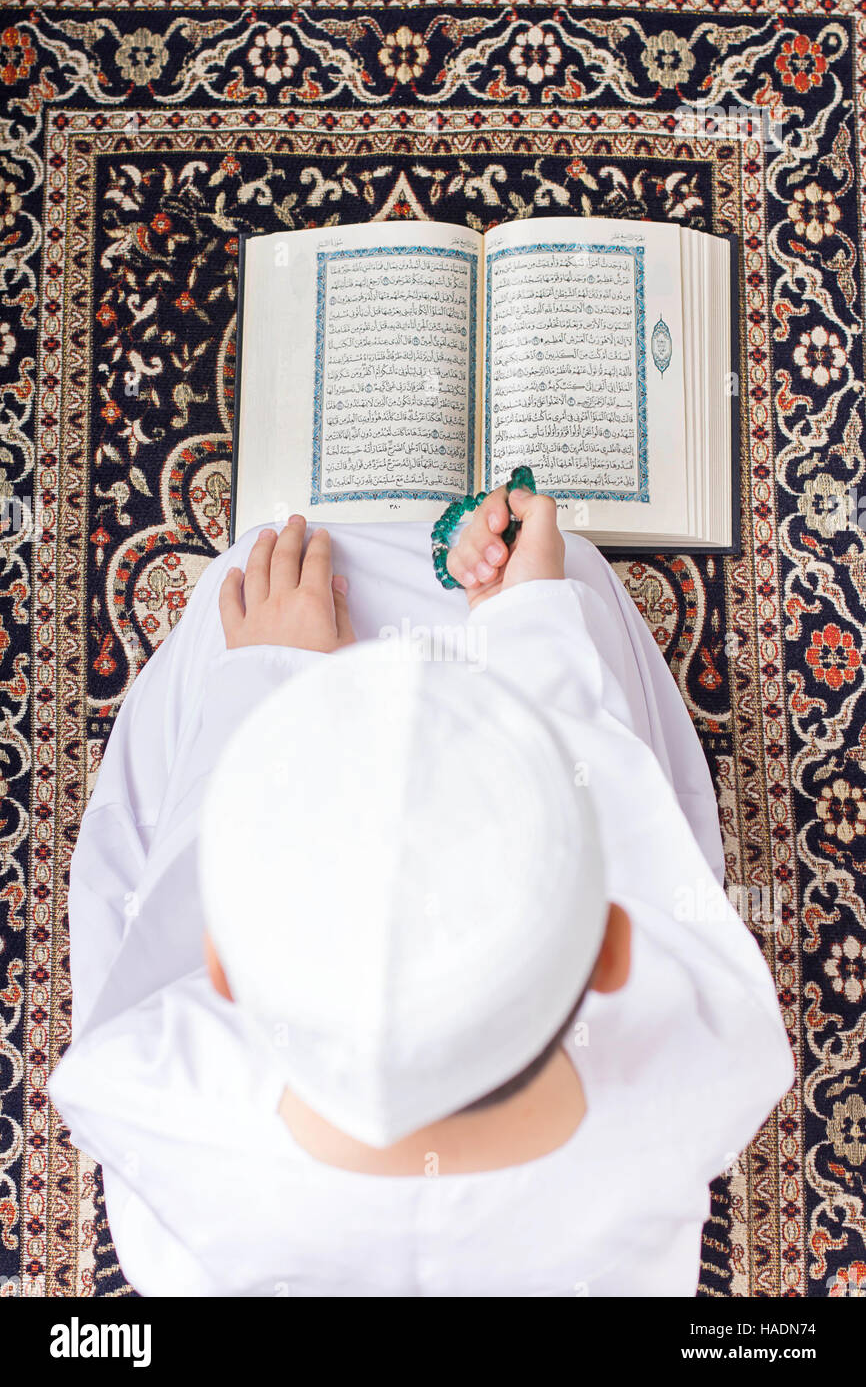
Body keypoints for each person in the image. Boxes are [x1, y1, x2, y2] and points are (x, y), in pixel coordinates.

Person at [49, 486, 793, 1296]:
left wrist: (272, 678)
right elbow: (633, 831)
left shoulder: (150, 1092)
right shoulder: (702, 1064)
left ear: (221, 969)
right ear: (614, 953)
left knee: (253, 568)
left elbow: (149, 938)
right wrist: (529, 623)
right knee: (572, 571)